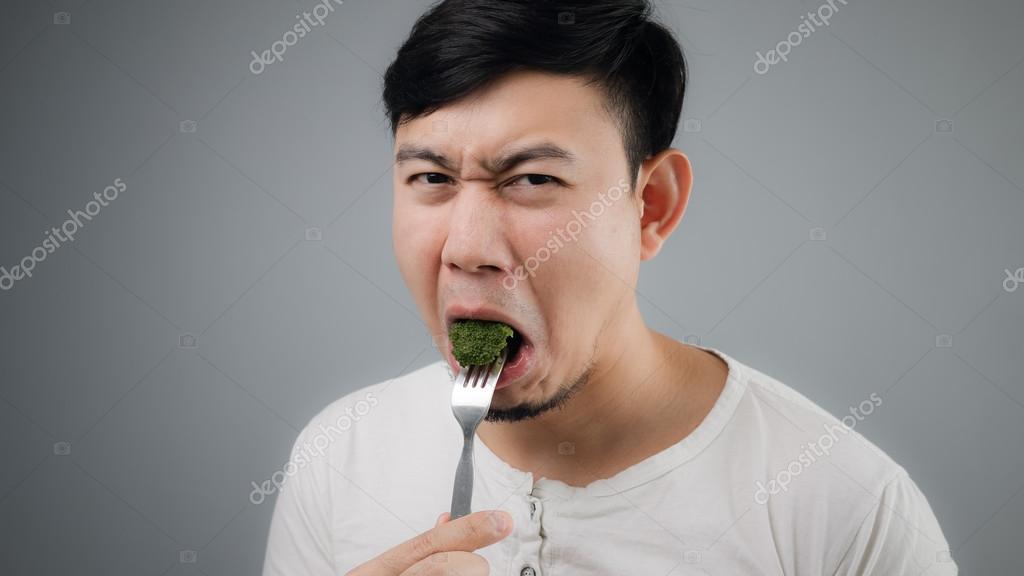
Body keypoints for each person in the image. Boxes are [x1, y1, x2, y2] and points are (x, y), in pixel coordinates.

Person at [263, 0, 958, 574]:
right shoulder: (340, 457)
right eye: (431, 179)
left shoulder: (846, 509)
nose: (467, 249)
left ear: (650, 206)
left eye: (533, 180)